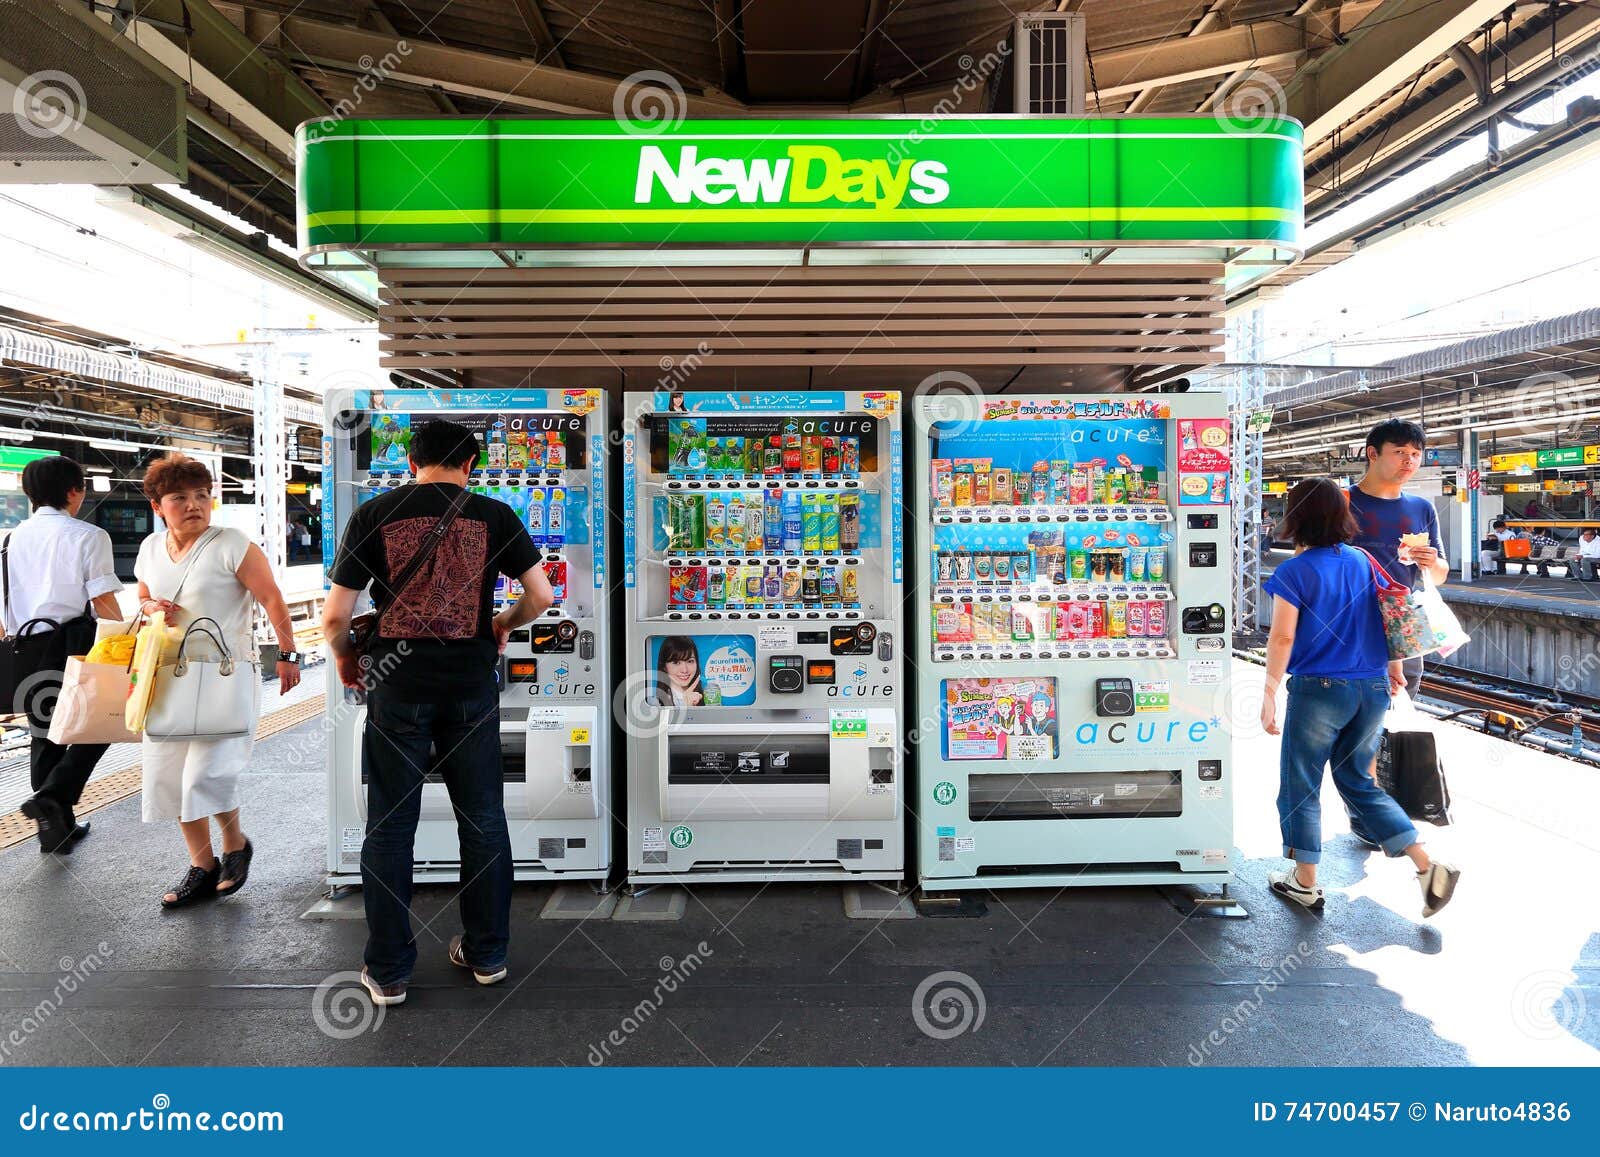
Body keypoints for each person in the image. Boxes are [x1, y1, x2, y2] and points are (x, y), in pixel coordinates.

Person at [321, 420, 552, 1009]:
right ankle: (487, 955)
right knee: (482, 819)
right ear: (470, 463)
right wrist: (501, 624)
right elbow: (543, 596)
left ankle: (390, 971)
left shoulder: (374, 514)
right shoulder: (494, 513)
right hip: (471, 685)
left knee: (391, 826)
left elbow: (333, 618)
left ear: (412, 460)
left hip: (397, 687)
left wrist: (350, 663)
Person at [1260, 477, 1460, 918]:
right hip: (1370, 687)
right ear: (1342, 516)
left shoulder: (1292, 573)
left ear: (1295, 519)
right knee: (1358, 781)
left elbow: (1282, 637)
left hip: (1319, 690)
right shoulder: (1363, 560)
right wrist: (1391, 667)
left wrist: (1269, 692)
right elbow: (1392, 609)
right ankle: (1427, 865)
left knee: (1301, 783)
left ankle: (1306, 882)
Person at [135, 455, 303, 908]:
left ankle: (235, 845)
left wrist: (288, 655)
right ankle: (202, 866)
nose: (194, 505)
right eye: (180, 498)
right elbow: (144, 593)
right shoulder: (151, 548)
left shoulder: (232, 544)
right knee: (168, 777)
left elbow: (272, 599)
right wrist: (151, 607)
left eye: (202, 496)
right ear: (157, 506)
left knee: (205, 774)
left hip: (226, 675)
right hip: (168, 677)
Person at [5, 457, 125, 853]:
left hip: (26, 646)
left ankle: (56, 829)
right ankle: (54, 799)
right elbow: (103, 600)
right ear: (75, 491)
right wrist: (126, 643)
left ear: (29, 493)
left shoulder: (10, 539)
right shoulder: (89, 535)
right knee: (105, 722)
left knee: (46, 734)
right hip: (75, 645)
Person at [1346, 419, 1447, 701]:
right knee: (1354, 714)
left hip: (1403, 624)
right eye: (1400, 452)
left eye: (1416, 454)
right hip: (1349, 621)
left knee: (1398, 716)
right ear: (1373, 453)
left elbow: (1439, 577)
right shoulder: (1341, 503)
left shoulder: (1421, 508)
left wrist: (1431, 562)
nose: (1410, 461)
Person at [654, 636, 702, 706]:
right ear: (664, 667)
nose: (684, 670)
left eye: (690, 661)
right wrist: (688, 708)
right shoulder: (654, 703)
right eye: (676, 662)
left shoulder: (709, 698)